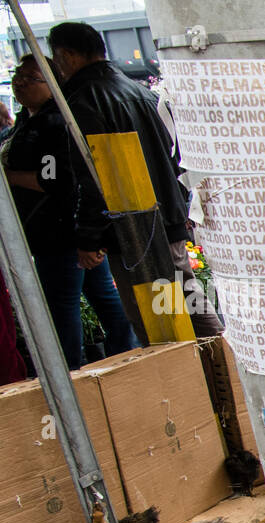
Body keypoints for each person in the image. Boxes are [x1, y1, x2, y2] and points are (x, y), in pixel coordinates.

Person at [48, 21, 220, 341]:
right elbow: (174, 155)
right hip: (165, 217)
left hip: (133, 232)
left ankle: (197, 378)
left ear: (68, 56)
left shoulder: (85, 101)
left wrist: (88, 238)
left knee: (159, 317)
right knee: (187, 300)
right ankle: (222, 367)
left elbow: (93, 177)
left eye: (56, 59)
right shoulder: (137, 90)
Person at [4, 53, 136, 368]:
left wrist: (7, 177)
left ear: (53, 84)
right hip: (61, 230)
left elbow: (55, 180)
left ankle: (70, 368)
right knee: (100, 294)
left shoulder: (55, 122)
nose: (19, 84)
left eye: (29, 78)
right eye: (17, 76)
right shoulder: (28, 120)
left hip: (61, 230)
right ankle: (125, 351)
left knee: (62, 304)